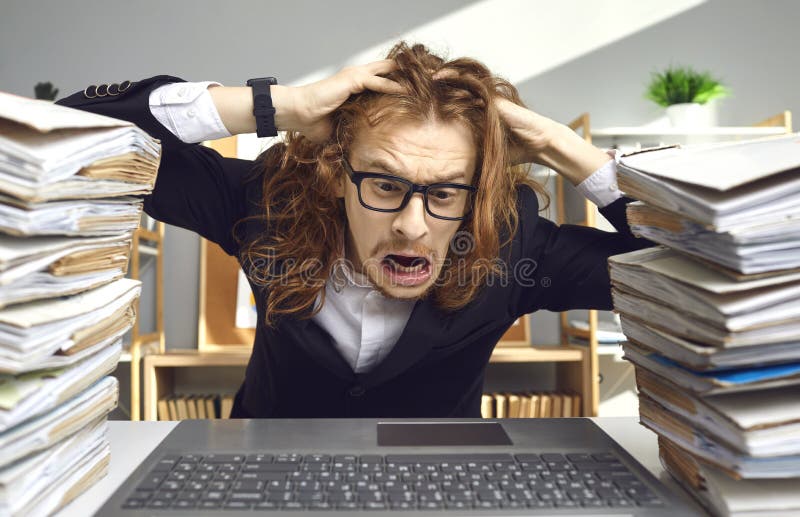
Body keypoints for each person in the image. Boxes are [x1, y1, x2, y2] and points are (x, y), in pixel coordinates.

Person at [58, 43, 651, 418]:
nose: (411, 227)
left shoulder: (517, 243)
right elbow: (71, 131)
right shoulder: (265, 204)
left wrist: (562, 148)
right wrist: (279, 106)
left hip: (439, 485)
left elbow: (687, 262)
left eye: (444, 192)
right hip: (266, 472)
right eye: (385, 185)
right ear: (337, 174)